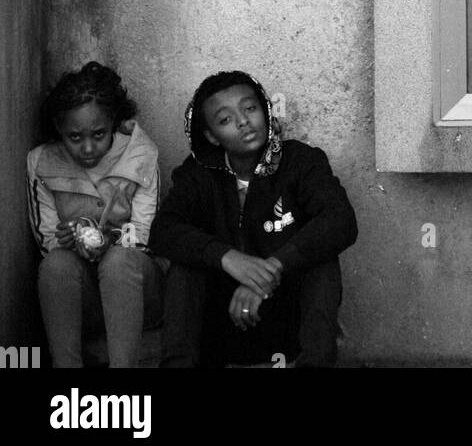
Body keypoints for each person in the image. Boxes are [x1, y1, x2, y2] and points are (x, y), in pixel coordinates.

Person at [149, 70, 358, 368]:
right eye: (225, 120)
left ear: (265, 111)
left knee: (322, 260)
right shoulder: (197, 174)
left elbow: (341, 221)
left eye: (250, 108)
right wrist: (229, 259)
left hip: (287, 321)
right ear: (211, 135)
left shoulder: (300, 161)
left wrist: (270, 270)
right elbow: (164, 230)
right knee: (185, 265)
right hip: (225, 324)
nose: (243, 121)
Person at [27, 61, 163, 368]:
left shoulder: (141, 154)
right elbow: (47, 237)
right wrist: (75, 239)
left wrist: (107, 238)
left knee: (118, 260)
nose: (88, 148)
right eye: (74, 137)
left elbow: (144, 234)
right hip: (83, 294)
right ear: (59, 129)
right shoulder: (41, 163)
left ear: (113, 121)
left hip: (135, 287)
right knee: (55, 264)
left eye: (99, 134)